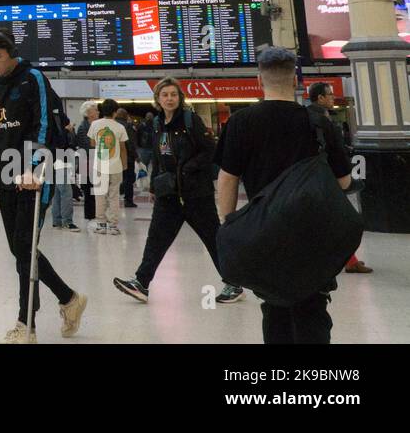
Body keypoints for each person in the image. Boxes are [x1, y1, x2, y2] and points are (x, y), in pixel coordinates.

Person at [215, 47, 353, 344]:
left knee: (274, 306)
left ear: (258, 81)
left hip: (265, 231)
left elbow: (227, 180)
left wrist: (229, 224)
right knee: (312, 304)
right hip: (312, 232)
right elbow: (343, 182)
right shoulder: (319, 122)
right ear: (295, 81)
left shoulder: (241, 122)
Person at [0, 31, 86, 344]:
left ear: (11, 53)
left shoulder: (33, 78)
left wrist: (32, 167)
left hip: (35, 173)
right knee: (20, 250)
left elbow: (42, 124)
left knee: (24, 247)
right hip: (6, 174)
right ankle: (69, 299)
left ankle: (25, 324)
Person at [112, 78, 243, 305]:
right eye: (165, 95)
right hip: (169, 193)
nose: (170, 99)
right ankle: (141, 282)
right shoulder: (157, 124)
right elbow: (157, 157)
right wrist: (154, 185)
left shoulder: (191, 121)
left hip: (196, 194)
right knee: (156, 238)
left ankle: (233, 284)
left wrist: (185, 169)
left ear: (179, 98)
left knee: (212, 238)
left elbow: (209, 151)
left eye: (173, 94)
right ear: (158, 100)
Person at [307, 83, 370, 274]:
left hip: (315, 178)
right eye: (330, 94)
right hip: (328, 178)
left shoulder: (310, 116)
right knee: (341, 220)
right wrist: (345, 178)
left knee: (329, 220)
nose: (333, 97)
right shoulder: (321, 119)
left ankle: (348, 259)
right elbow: (335, 152)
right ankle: (348, 260)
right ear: (320, 98)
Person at [87, 99, 127, 234]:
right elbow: (122, 148)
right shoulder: (120, 127)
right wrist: (125, 164)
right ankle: (113, 225)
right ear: (115, 112)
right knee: (114, 196)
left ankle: (101, 225)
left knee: (100, 195)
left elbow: (92, 143)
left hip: (99, 165)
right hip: (116, 166)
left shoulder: (95, 124)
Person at [49, 106, 81, 233]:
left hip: (55, 160)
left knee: (57, 192)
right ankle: (67, 222)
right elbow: (61, 142)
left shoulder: (52, 119)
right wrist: (67, 130)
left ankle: (57, 220)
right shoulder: (57, 121)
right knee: (66, 192)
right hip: (60, 160)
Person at [117, 108, 139, 208]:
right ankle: (128, 200)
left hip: (114, 157)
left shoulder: (113, 125)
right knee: (129, 179)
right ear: (126, 116)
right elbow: (130, 143)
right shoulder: (127, 126)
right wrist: (136, 156)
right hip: (127, 158)